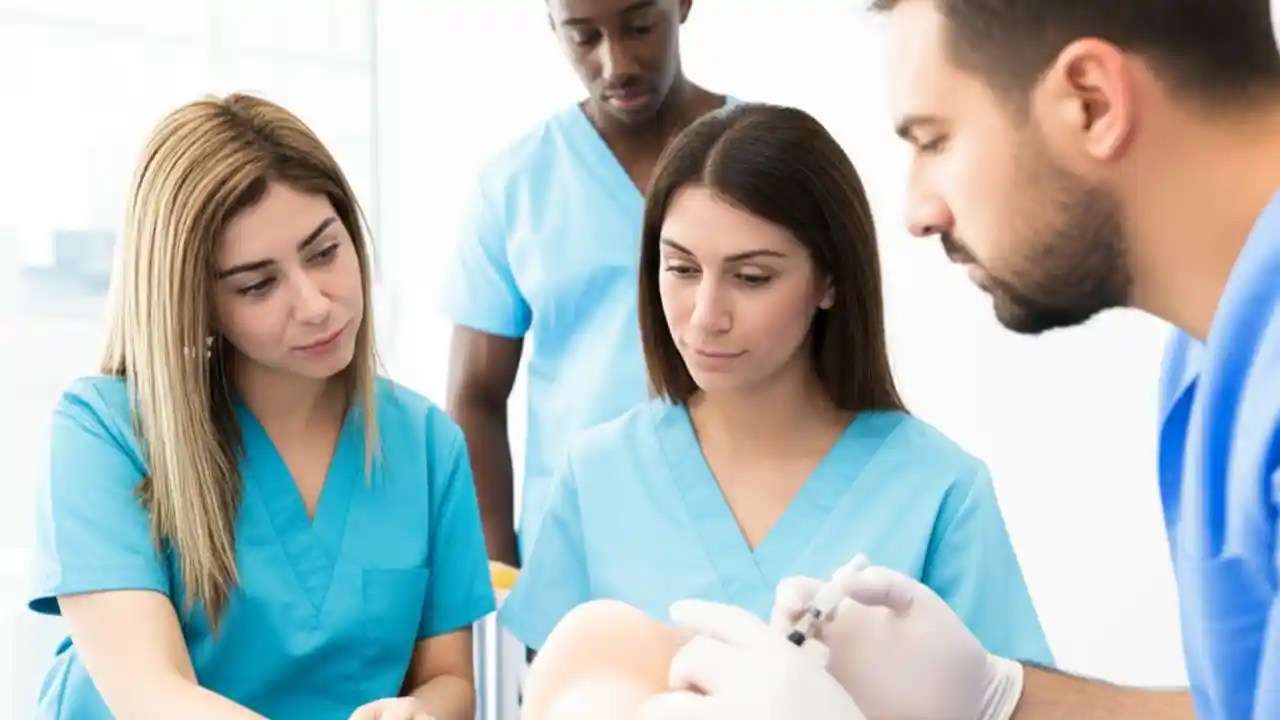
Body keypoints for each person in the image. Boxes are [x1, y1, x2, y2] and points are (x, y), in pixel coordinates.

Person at [646, 0, 1280, 718]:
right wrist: (1000, 698)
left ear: (1091, 104)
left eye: (935, 140)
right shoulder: (1215, 359)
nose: (918, 212)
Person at [497, 102, 1053, 670]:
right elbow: (552, 693)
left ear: (829, 281)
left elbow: (1011, 701)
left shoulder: (939, 494)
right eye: (682, 269)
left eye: (751, 277)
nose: (706, 315)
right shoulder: (599, 476)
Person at [29, 94, 495, 720]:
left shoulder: (427, 444)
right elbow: (152, 696)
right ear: (194, 301)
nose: (315, 304)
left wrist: (423, 712)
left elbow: (448, 680)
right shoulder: (104, 432)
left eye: (325, 252)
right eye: (257, 285)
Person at [442, 0, 734, 568]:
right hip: (574, 558)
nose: (615, 62)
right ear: (552, 26)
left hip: (747, 534)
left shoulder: (769, 160)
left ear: (682, 5)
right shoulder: (517, 184)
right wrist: (498, 578)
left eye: (641, 27)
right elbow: (474, 395)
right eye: (583, 37)